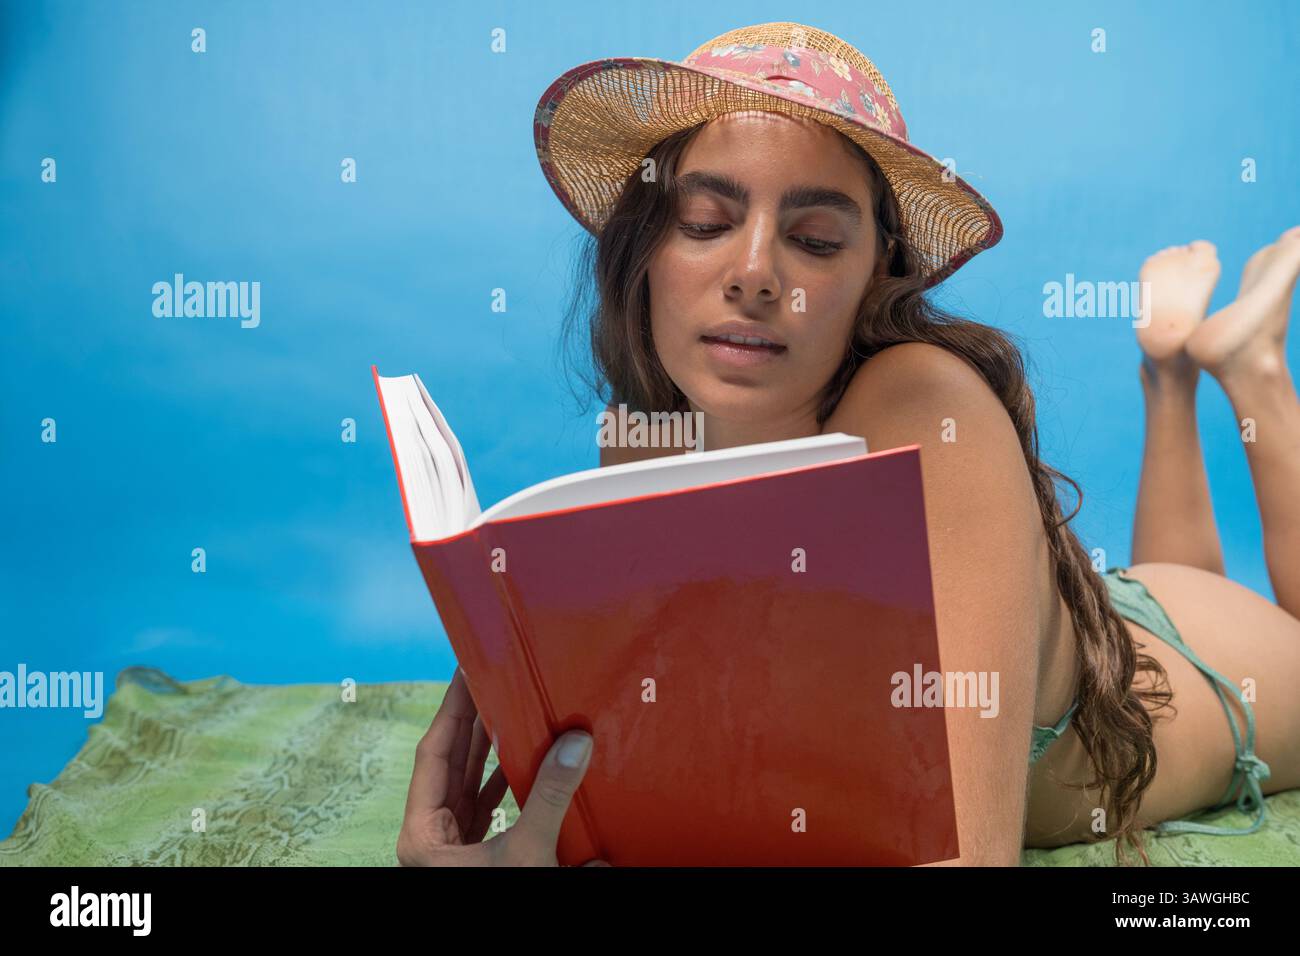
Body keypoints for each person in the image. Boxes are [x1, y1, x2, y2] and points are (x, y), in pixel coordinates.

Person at [397, 21, 1300, 866]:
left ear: (876, 279)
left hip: (1208, 673)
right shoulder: (638, 447)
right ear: (645, 251)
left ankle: (1253, 368)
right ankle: (1174, 372)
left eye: (816, 239)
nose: (754, 275)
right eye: (706, 222)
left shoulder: (923, 404)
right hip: (1089, 613)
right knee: (1166, 575)